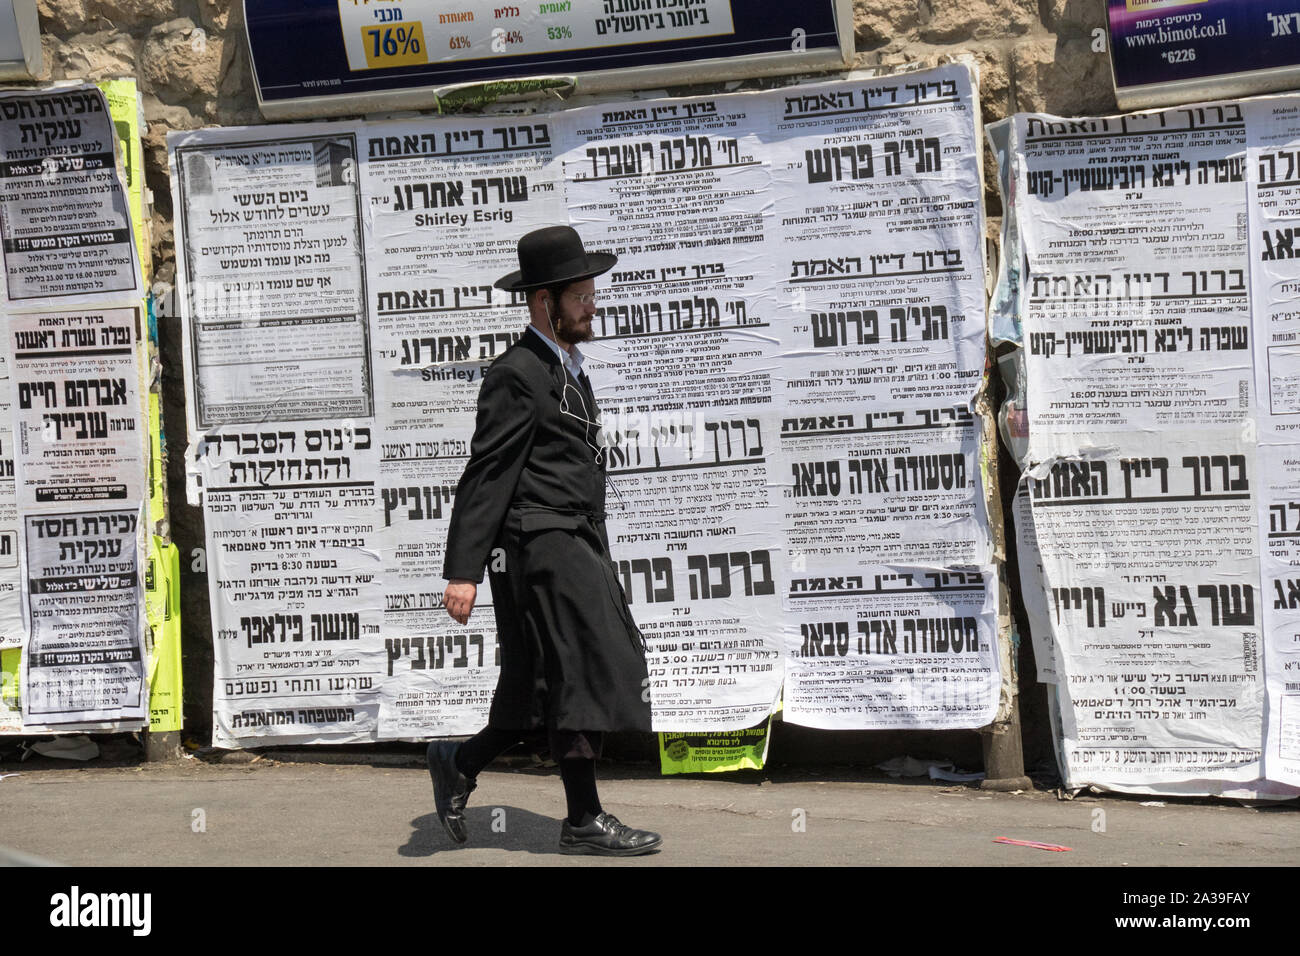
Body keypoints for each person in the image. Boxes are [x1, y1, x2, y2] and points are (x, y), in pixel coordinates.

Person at [428, 225, 661, 856]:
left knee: (543, 683)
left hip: (573, 541)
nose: (591, 306)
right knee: (581, 669)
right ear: (543, 302)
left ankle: (460, 762)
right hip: (541, 546)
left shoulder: (567, 368)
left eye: (590, 295)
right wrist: (463, 571)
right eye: (580, 297)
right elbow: (488, 472)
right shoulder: (517, 374)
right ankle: (583, 818)